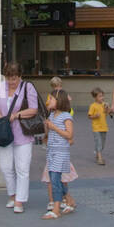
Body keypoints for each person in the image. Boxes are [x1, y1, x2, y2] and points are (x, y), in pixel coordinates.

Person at [0, 62, 41, 214]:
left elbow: (33, 109)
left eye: (14, 78)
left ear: (20, 76)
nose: (11, 81)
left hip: (22, 133)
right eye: (8, 78)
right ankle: (12, 195)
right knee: (6, 167)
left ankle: (20, 200)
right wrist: (1, 118)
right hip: (5, 133)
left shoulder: (27, 87)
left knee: (22, 169)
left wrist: (16, 115)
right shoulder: (0, 87)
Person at [42, 89, 75, 219]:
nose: (48, 101)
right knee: (56, 179)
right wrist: (47, 127)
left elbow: (69, 135)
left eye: (51, 99)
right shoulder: (51, 115)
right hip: (52, 151)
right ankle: (69, 200)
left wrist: (54, 127)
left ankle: (56, 209)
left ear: (59, 101)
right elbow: (49, 133)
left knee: (55, 180)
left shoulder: (66, 116)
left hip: (61, 152)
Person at [87, 87, 109, 165]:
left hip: (104, 127)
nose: (102, 98)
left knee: (102, 144)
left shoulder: (104, 104)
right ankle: (100, 158)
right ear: (95, 97)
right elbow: (89, 116)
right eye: (100, 96)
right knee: (99, 143)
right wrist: (95, 116)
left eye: (102, 96)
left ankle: (97, 154)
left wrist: (107, 109)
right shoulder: (93, 106)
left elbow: (107, 114)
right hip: (96, 128)